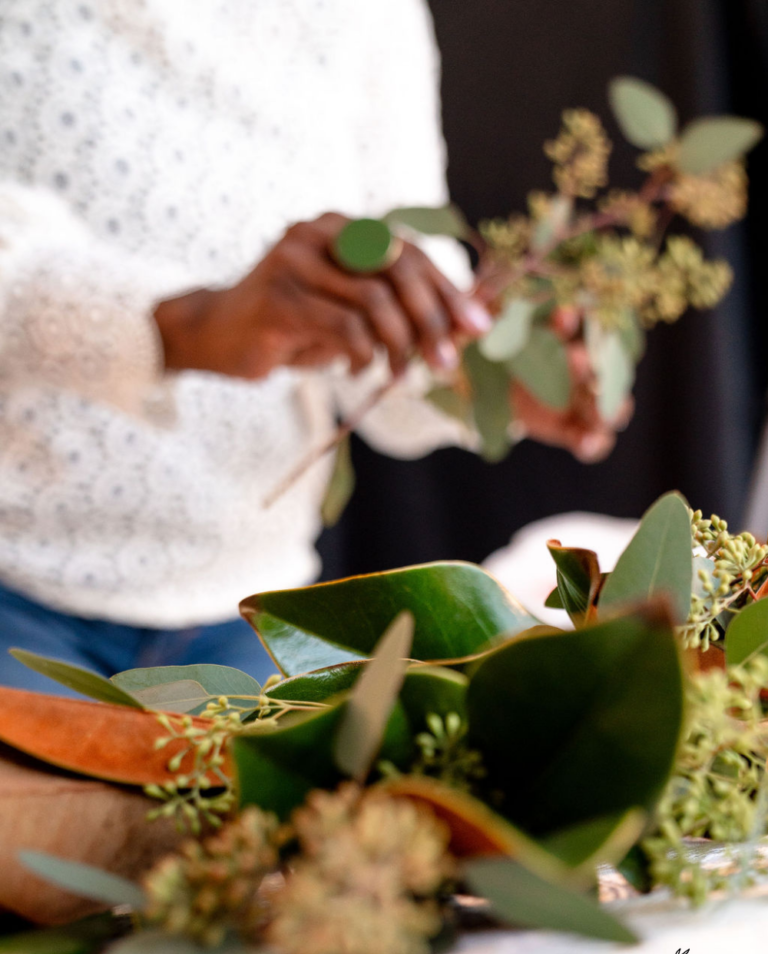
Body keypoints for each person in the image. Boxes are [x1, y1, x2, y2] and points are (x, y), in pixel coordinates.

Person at [0, 0, 621, 696]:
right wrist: (194, 324)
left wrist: (483, 372)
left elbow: (391, 314)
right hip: (19, 588)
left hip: (255, 615)